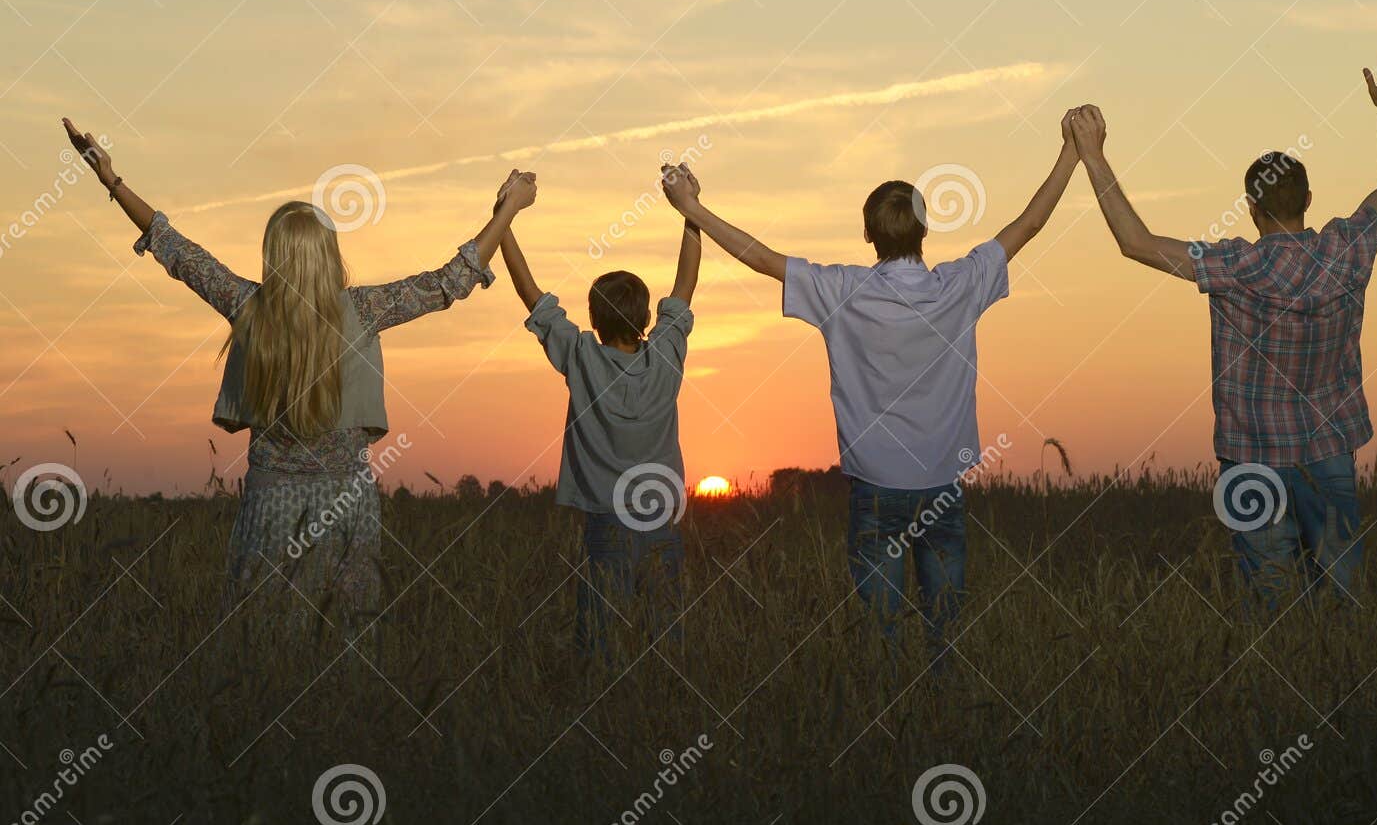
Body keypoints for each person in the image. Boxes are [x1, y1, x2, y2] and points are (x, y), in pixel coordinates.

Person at [62, 117, 534, 628]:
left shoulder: (247, 305)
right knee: (342, 651)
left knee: (264, 648)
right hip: (346, 506)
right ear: (329, 255)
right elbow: (453, 279)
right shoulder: (366, 309)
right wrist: (508, 210)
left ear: (274, 257)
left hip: (268, 505)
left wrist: (110, 180)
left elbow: (174, 248)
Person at [660, 116, 1083, 657]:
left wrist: (691, 209)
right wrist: (1072, 154)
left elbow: (760, 257)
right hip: (943, 484)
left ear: (867, 234)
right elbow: (1026, 226)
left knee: (879, 641)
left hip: (875, 488)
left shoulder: (842, 290)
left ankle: (883, 722)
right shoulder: (960, 285)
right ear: (925, 231)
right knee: (944, 636)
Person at [1074, 47, 1377, 608]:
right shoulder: (1346, 248)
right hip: (1330, 451)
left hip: (1250, 456)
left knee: (1271, 601)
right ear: (1308, 200)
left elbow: (1136, 243)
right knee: (1342, 601)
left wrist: (1092, 157)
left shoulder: (1236, 266)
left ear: (1251, 208)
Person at [500, 166, 702, 656]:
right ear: (648, 318)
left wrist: (503, 219)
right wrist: (689, 211)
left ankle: (602, 716)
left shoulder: (582, 357)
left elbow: (531, 295)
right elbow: (686, 282)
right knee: (666, 645)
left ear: (592, 318)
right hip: (662, 522)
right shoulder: (667, 354)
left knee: (600, 645)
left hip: (605, 523)